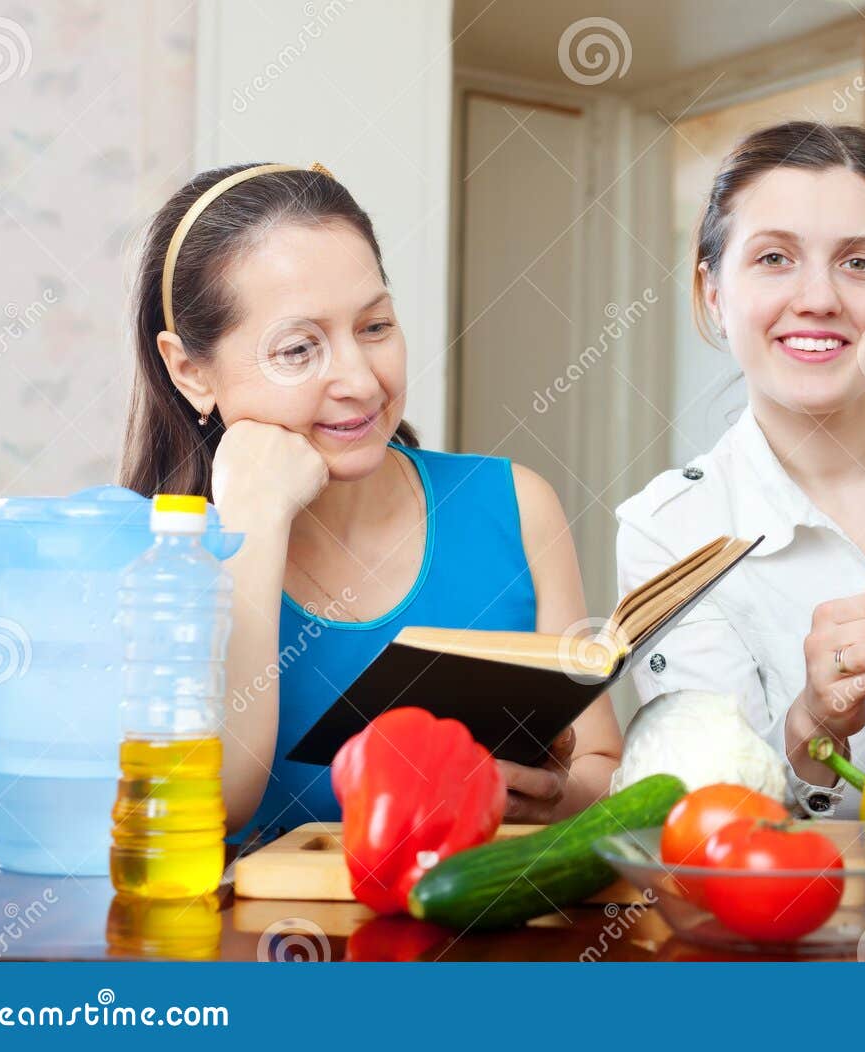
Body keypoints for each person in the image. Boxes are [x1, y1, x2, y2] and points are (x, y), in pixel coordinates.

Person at [119, 162, 620, 841]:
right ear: (191, 371)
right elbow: (208, 813)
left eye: (376, 326)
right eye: (299, 348)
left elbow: (597, 761)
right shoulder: (158, 562)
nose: (359, 379)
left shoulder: (516, 507)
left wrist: (556, 802)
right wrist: (254, 523)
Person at [616, 122, 865, 817]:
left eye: (859, 263)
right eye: (774, 257)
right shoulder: (670, 534)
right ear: (713, 291)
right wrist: (814, 722)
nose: (818, 298)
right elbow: (716, 819)